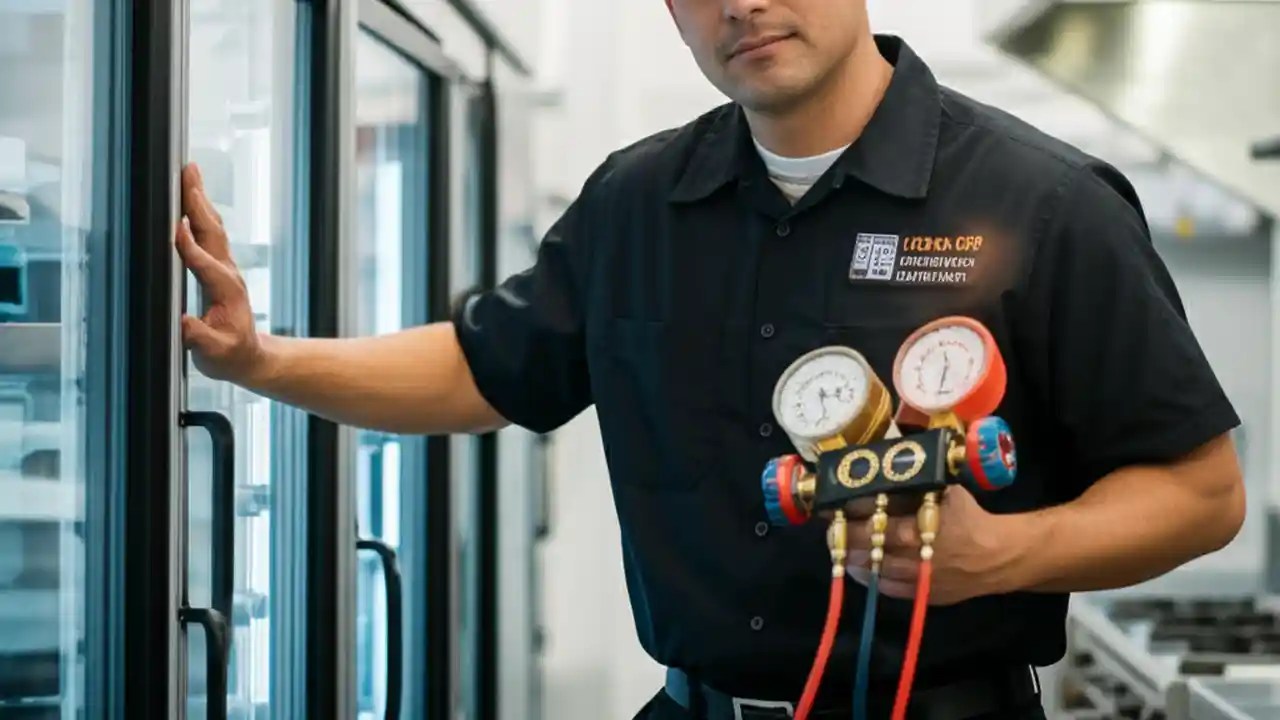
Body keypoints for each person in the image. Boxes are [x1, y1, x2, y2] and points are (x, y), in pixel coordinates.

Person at [174, 0, 1247, 718]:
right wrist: (259, 358)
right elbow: (482, 369)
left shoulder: (1042, 202)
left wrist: (1002, 556)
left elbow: (1199, 493)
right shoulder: (636, 202)